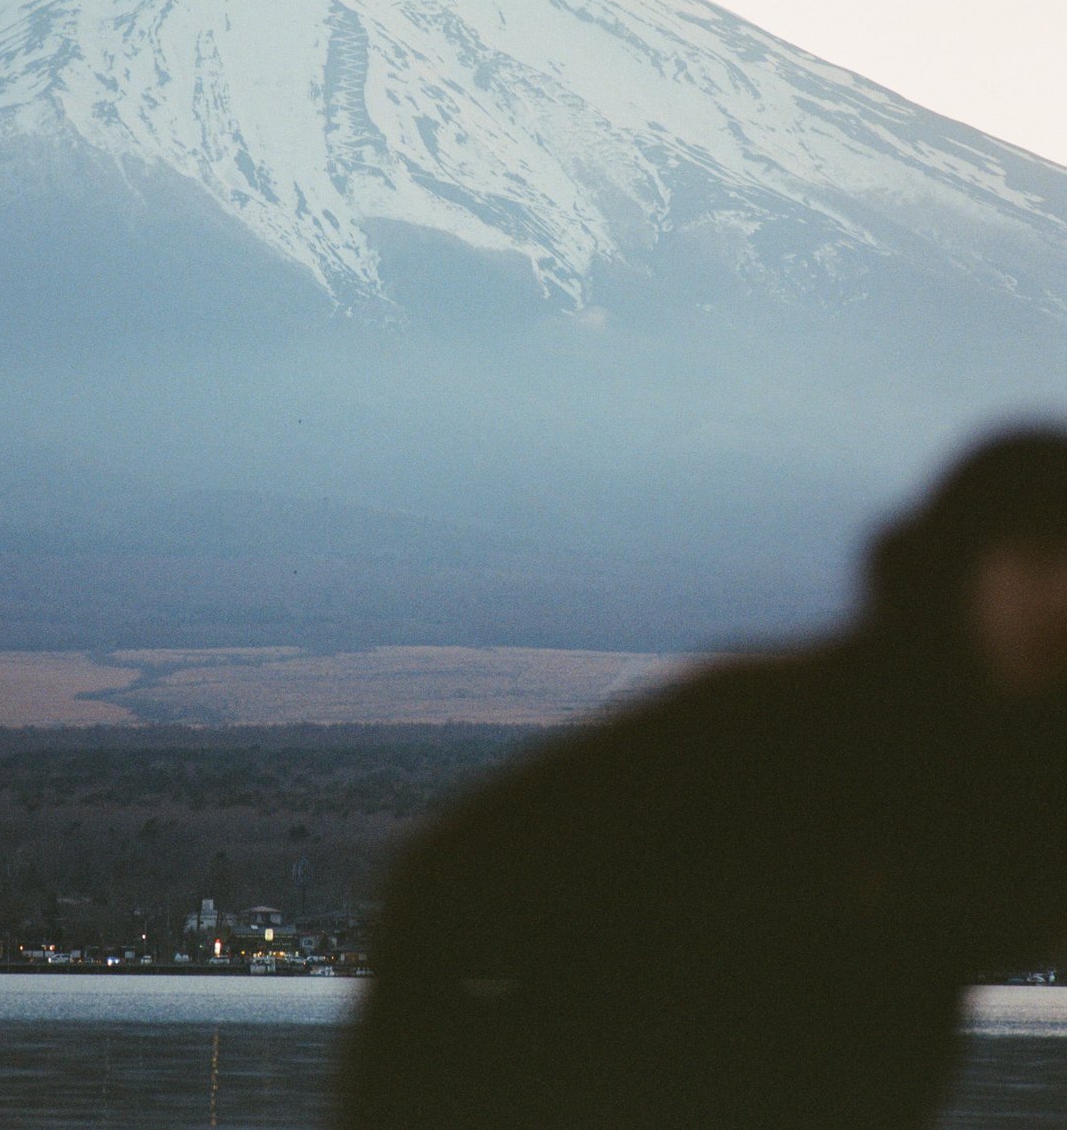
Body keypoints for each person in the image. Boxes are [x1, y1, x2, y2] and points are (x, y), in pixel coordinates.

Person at [339, 428, 1067, 1130]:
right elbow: (447, 879)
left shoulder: (1009, 779)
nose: (1057, 597)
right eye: (1036, 557)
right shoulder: (764, 723)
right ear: (958, 568)